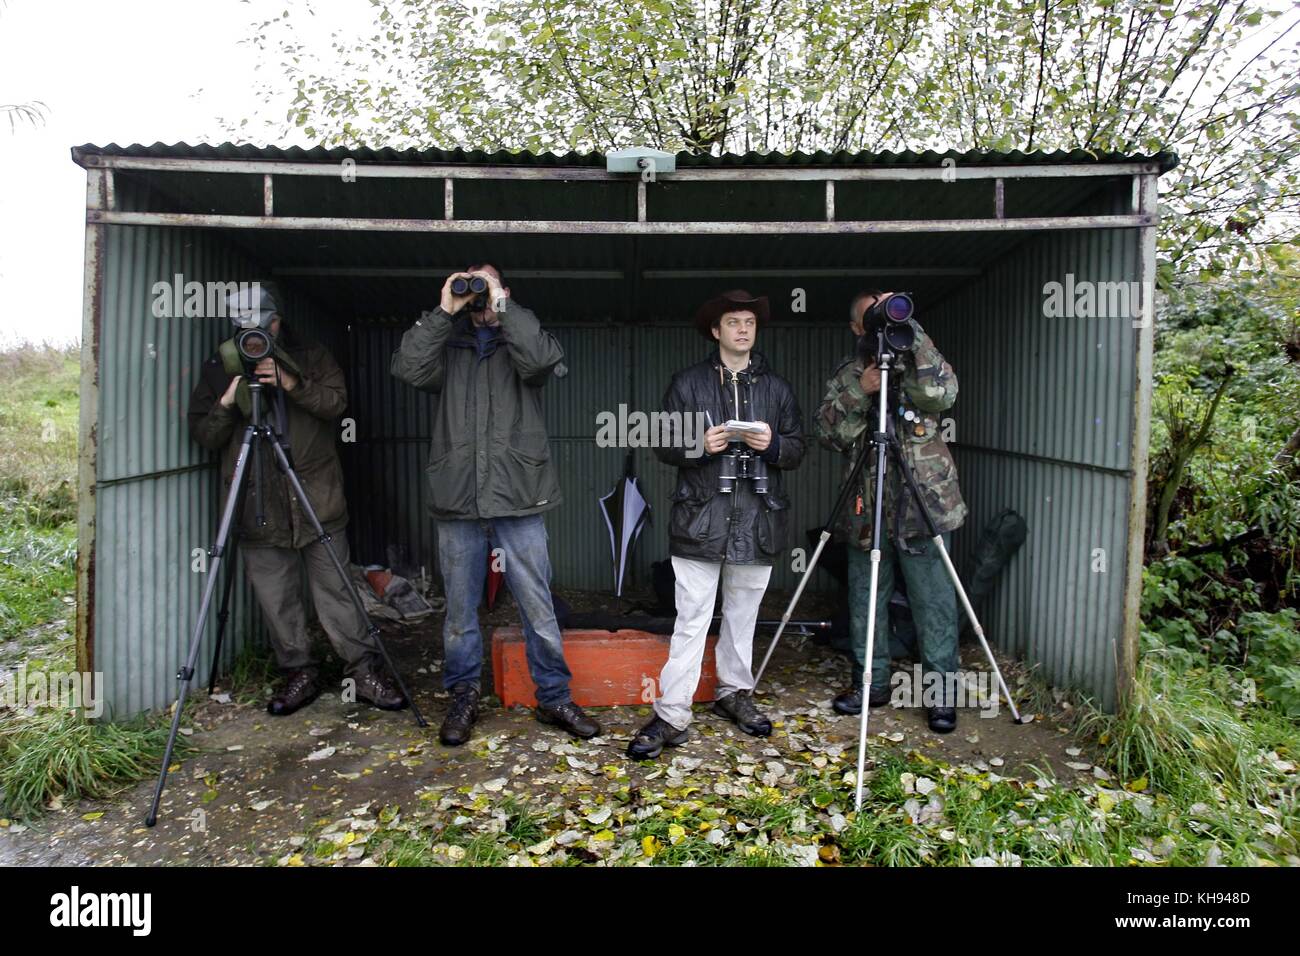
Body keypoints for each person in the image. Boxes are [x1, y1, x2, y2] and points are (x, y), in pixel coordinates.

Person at [390, 263, 600, 746]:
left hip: (518, 494)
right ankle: (463, 697)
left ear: (505, 290)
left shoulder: (520, 341)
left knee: (537, 605)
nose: (479, 294)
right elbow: (407, 367)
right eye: (473, 285)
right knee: (460, 612)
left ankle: (554, 697)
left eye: (486, 284)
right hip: (459, 496)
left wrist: (503, 307)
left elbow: (543, 361)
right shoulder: (449, 346)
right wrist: (445, 310)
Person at [188, 282, 405, 716]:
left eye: (263, 324)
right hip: (257, 504)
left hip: (316, 499)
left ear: (278, 320)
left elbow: (336, 404)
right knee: (277, 598)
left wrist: (290, 381)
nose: (255, 334)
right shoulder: (220, 366)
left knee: (337, 592)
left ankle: (362, 671)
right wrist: (228, 401)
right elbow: (204, 436)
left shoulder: (311, 356)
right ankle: (297, 671)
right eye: (245, 327)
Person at [628, 290, 805, 760]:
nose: (743, 330)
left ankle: (734, 693)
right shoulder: (687, 383)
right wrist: (698, 443)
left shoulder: (778, 389)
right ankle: (672, 714)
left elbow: (798, 448)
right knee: (691, 619)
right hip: (701, 518)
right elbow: (662, 441)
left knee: (743, 617)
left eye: (749, 322)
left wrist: (772, 445)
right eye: (733, 322)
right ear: (715, 330)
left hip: (758, 518)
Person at [815, 290, 967, 733]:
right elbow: (828, 434)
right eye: (873, 318)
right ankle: (872, 683)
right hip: (868, 504)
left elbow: (942, 395)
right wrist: (861, 391)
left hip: (925, 501)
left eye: (889, 315)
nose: (882, 325)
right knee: (866, 598)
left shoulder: (920, 362)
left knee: (933, 600)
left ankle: (941, 695)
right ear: (856, 328)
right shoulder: (850, 373)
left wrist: (914, 338)